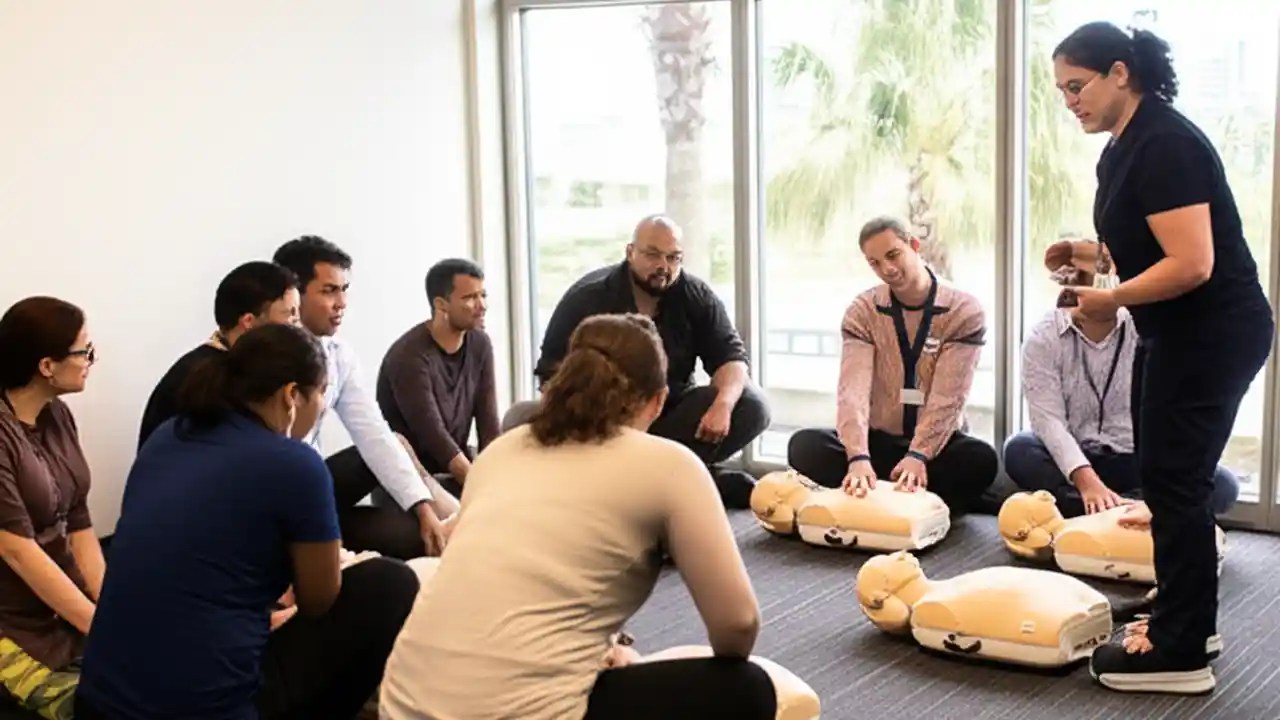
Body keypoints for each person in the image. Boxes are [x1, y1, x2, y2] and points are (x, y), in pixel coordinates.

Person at [380, 314, 776, 720]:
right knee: (748, 688)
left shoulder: (502, 450)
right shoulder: (670, 466)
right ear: (658, 401)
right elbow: (738, 626)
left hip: (403, 706)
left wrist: (599, 648)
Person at [1050, 22, 1273, 694]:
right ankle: (1188, 617)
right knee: (1168, 475)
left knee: (1175, 480)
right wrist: (1086, 258)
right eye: (1062, 92)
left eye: (1077, 87)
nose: (1071, 103)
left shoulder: (1167, 143)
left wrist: (1108, 298)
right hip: (1176, 332)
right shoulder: (1122, 148)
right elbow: (1149, 241)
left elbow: (1193, 262)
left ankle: (1180, 654)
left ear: (1122, 73)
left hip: (1212, 331)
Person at [75, 324, 420, 720]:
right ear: (292, 395)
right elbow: (317, 600)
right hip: (207, 707)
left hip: (100, 700)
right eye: (322, 393)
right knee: (391, 583)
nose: (323, 405)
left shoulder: (169, 436)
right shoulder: (295, 465)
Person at [506, 215, 771, 509]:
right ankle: (681, 481)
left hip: (666, 415)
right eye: (653, 254)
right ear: (630, 252)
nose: (663, 266)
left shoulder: (695, 295)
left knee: (751, 403)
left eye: (674, 258)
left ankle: (647, 481)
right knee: (520, 419)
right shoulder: (589, 297)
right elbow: (550, 374)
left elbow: (731, 357)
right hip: (600, 418)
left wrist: (723, 405)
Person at [787, 217, 998, 514]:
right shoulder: (863, 310)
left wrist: (919, 455)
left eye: (893, 255)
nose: (887, 269)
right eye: (874, 262)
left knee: (980, 460)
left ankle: (878, 496)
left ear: (913, 245)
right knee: (804, 446)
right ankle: (905, 495)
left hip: (936, 449)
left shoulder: (963, 310)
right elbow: (853, 391)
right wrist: (858, 457)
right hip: (878, 445)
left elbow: (949, 397)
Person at [1006, 260, 1239, 518]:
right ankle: (1133, 511)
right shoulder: (1042, 338)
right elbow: (1049, 422)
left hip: (1138, 458)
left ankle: (1107, 510)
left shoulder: (1146, 328)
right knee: (1019, 449)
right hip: (1076, 461)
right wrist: (1088, 483)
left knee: (1223, 484)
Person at [273, 236, 457, 559]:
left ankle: (453, 517)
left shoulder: (339, 354)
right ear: (293, 295)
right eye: (329, 291)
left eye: (344, 290)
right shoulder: (266, 359)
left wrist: (423, 509)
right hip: (279, 499)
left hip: (317, 490)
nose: (341, 303)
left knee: (420, 533)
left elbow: (373, 434)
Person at [0, 297, 104, 720]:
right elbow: (17, 550)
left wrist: (109, 608)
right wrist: (100, 626)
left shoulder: (57, 414)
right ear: (47, 366)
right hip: (12, 619)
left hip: (61, 598)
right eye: (85, 352)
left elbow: (79, 524)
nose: (91, 361)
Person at [137, 260, 301, 448]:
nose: (298, 328)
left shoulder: (217, 364)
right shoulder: (210, 378)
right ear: (248, 321)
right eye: (291, 316)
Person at [376, 258, 499, 497]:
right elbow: (433, 436)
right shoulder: (408, 356)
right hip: (411, 483)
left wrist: (495, 476)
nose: (481, 305)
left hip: (456, 472)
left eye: (483, 295)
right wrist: (484, 490)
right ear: (441, 305)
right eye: (470, 298)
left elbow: (489, 425)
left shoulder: (479, 343)